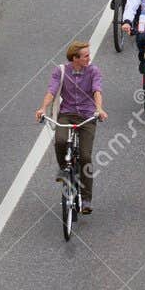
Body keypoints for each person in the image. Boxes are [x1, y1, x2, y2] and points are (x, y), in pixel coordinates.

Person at [36, 40, 107, 214]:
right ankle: (63, 169)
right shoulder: (60, 71)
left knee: (85, 157)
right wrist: (42, 108)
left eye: (89, 55)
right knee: (60, 141)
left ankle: (87, 198)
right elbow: (51, 92)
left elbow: (97, 91)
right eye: (86, 56)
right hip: (66, 114)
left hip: (87, 116)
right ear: (75, 58)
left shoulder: (93, 71)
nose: (89, 58)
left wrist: (99, 109)